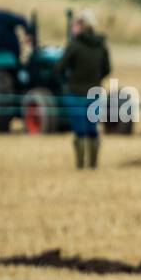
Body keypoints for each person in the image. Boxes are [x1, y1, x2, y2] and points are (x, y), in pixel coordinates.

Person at [57, 9, 112, 169]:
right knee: (92, 130)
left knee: (79, 131)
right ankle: (93, 165)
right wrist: (96, 79)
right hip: (94, 92)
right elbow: (107, 69)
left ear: (81, 26)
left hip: (76, 93)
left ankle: (81, 166)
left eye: (75, 24)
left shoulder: (75, 45)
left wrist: (69, 80)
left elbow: (59, 67)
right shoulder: (101, 45)